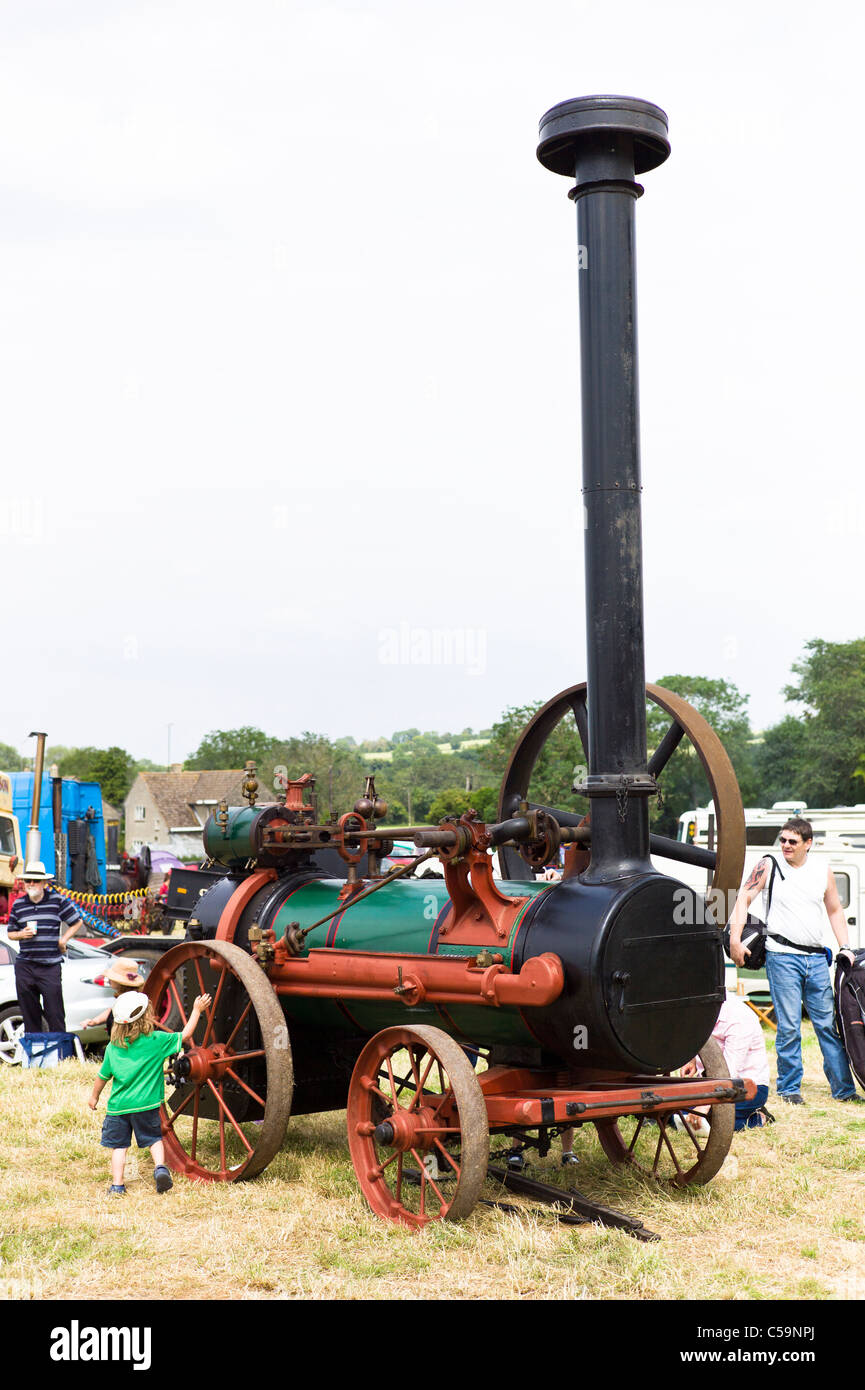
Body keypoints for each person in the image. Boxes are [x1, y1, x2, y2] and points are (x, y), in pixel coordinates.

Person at [729, 817, 860, 1105]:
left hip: (815, 959)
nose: (785, 845)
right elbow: (743, 899)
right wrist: (735, 939)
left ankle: (844, 1090)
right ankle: (789, 1090)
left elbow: (835, 909)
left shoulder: (821, 870)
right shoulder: (768, 865)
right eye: (783, 839)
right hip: (782, 956)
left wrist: (845, 946)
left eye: (793, 841)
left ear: (808, 843)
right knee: (788, 1026)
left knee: (827, 1025)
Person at [88, 987, 211, 1196]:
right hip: (147, 1104)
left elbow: (102, 1077)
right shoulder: (157, 1041)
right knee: (154, 1139)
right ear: (147, 1017)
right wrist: (197, 1010)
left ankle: (117, 1185)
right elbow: (186, 1034)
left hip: (119, 1108)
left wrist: (94, 1096)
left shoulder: (113, 1048)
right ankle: (160, 1169)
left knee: (119, 1147)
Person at [6, 861, 81, 1032]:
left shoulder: (57, 901)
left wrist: (63, 941)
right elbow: (10, 932)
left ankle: (60, 1054)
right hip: (25, 965)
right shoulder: (19, 904)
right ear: (24, 883)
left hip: (50, 966)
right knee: (29, 1013)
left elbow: (76, 922)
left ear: (44, 883)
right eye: (28, 881)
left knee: (55, 1013)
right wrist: (21, 934)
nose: (31, 884)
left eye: (36, 880)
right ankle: (35, 1053)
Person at [685, 994, 773, 1128]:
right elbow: (696, 1036)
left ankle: (758, 1117)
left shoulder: (739, 1018)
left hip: (746, 1086)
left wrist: (704, 1105)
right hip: (706, 1082)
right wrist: (692, 1060)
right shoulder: (699, 1007)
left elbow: (729, 1070)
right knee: (673, 1106)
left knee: (714, 1121)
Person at [79, 961, 146, 1035]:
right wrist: (96, 1020)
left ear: (120, 983)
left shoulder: (129, 1001)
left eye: (112, 977)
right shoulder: (124, 997)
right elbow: (112, 1010)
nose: (108, 979)